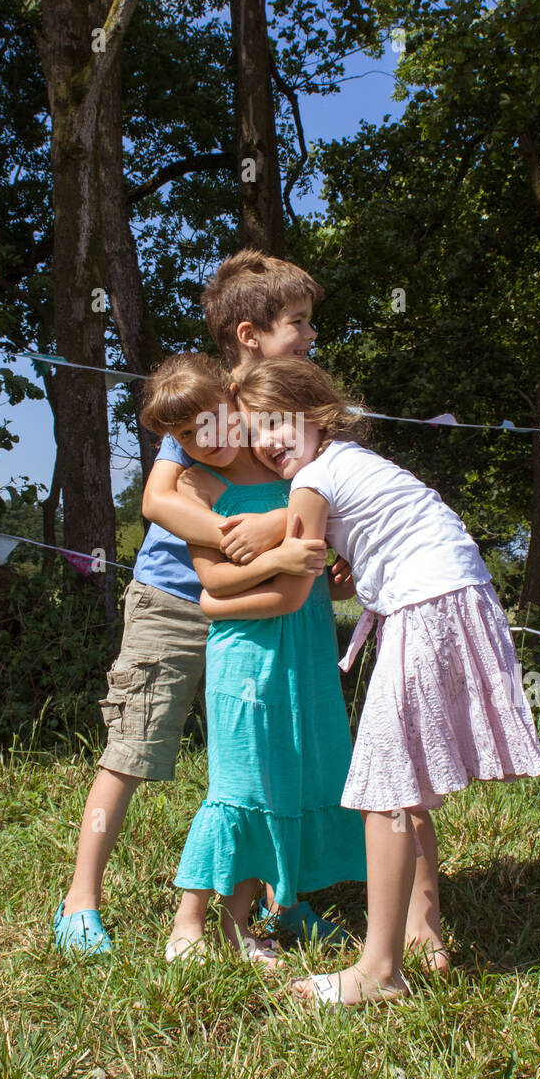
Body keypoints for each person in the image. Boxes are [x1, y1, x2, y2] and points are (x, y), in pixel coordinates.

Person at [199, 357, 540, 1005]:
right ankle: (423, 935)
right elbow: (384, 536)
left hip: (427, 603)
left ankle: (378, 972)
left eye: (276, 423)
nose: (269, 442)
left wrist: (222, 593)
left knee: (385, 784)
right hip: (455, 594)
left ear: (313, 411)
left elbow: (293, 582)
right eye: (256, 433)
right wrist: (355, 571)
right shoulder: (349, 463)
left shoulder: (312, 481)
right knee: (402, 782)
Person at [53, 252, 335, 957]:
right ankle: (79, 902)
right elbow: (155, 500)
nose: (309, 338)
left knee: (264, 754)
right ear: (249, 334)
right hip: (175, 600)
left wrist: (290, 547)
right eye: (297, 325)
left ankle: (276, 902)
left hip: (261, 610)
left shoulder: (279, 410)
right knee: (135, 745)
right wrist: (245, 538)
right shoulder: (201, 402)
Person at [140, 353, 366, 964]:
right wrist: (278, 562)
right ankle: (195, 924)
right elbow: (212, 582)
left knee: (296, 771)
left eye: (207, 423)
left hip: (310, 648)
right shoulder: (197, 486)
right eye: (184, 436)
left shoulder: (297, 469)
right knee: (241, 783)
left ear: (234, 397)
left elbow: (328, 578)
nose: (199, 442)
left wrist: (333, 574)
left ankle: (283, 905)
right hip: (245, 653)